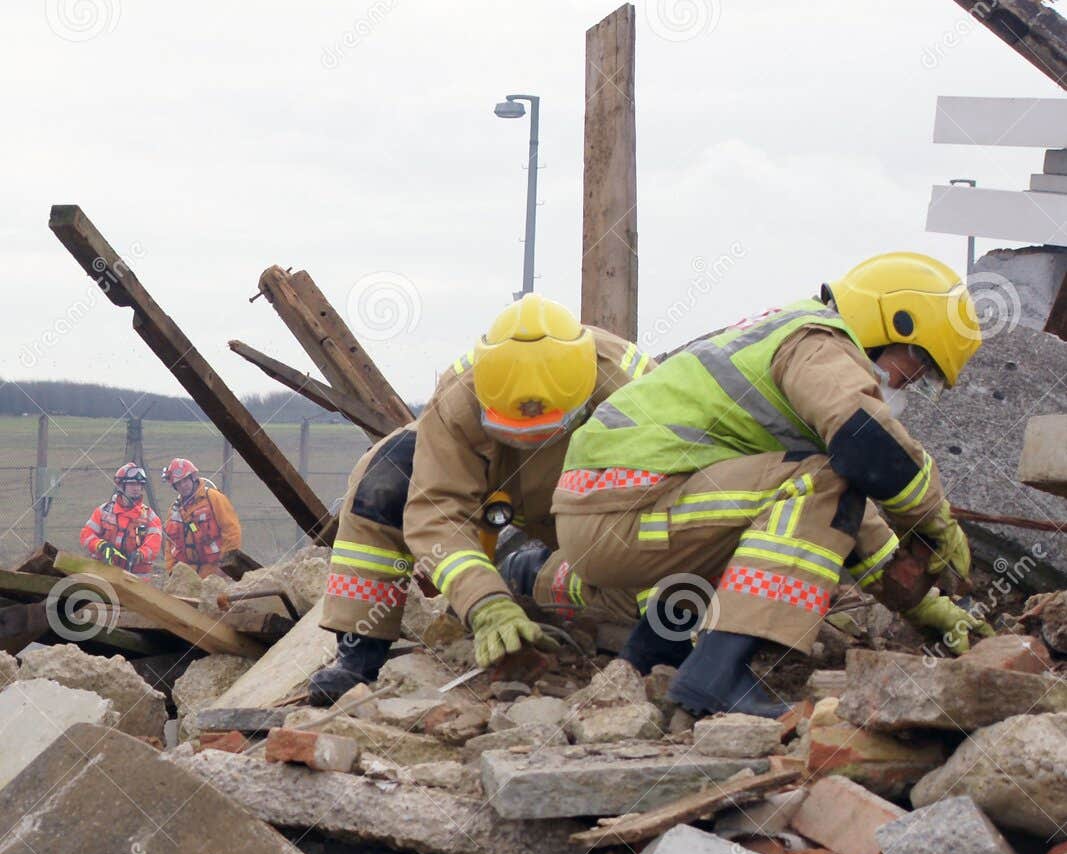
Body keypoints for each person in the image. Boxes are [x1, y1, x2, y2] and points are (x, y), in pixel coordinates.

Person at [549, 252, 990, 717]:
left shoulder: (786, 336)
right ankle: (718, 675)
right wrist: (935, 520)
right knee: (819, 479)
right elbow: (867, 447)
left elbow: (839, 511)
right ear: (890, 325)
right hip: (625, 508)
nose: (909, 384)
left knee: (781, 502)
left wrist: (926, 606)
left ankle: (659, 654)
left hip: (612, 512)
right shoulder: (818, 343)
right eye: (916, 367)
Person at [308, 293, 652, 705]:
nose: (529, 439)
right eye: (516, 429)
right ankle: (359, 653)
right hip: (493, 474)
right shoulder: (460, 397)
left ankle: (534, 575)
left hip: (592, 497)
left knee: (628, 574)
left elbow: (671, 504)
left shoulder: (636, 393)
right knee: (384, 480)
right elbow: (437, 513)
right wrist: (484, 603)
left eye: (541, 430)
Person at [161, 458, 242, 576]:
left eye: (185, 480)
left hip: (215, 572)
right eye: (178, 483)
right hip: (187, 575)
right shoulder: (174, 511)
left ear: (193, 478)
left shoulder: (214, 498)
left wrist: (226, 566)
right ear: (174, 486)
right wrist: (171, 571)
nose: (183, 486)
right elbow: (170, 545)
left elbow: (231, 531)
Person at [79, 464, 162, 577]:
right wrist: (100, 545)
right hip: (103, 573)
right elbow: (86, 535)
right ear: (121, 486)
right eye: (132, 484)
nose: (136, 488)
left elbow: (153, 546)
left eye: (139, 484)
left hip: (135, 578)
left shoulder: (150, 517)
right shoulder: (103, 512)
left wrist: (139, 555)